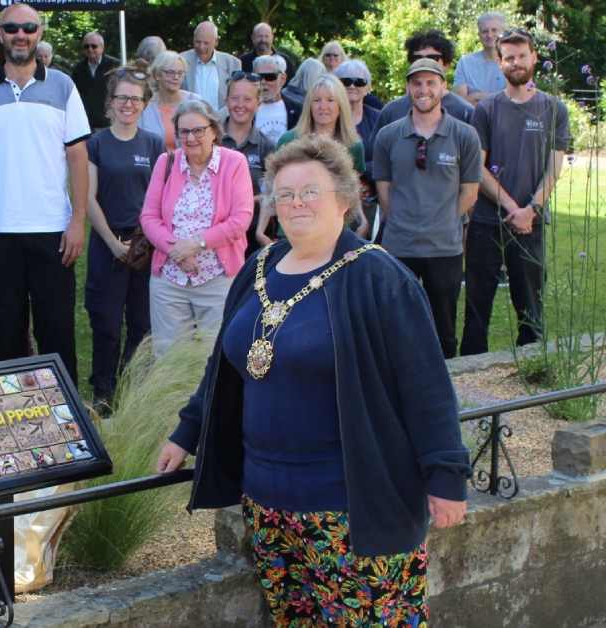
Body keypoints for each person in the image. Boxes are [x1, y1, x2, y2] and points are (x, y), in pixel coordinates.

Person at [154, 134, 470, 625]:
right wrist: (187, 431)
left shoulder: (379, 278)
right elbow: (226, 364)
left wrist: (446, 475)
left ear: (345, 198)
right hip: (269, 506)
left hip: (352, 506)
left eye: (310, 191)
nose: (296, 202)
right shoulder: (258, 268)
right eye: (285, 194)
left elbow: (426, 387)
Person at [0, 1, 91, 383]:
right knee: (6, 335)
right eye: (12, 28)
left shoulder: (63, 85)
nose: (20, 35)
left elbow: (78, 158)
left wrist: (77, 221)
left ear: (39, 33)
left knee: (58, 333)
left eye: (28, 28)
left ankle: (67, 421)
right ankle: (17, 416)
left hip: (52, 230)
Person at [462, 28, 570, 356]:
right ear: (500, 62)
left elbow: (554, 167)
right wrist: (512, 207)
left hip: (531, 224)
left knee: (531, 308)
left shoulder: (553, 109)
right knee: (477, 307)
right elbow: (478, 169)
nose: (516, 63)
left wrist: (531, 210)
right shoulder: (486, 110)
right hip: (486, 222)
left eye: (522, 56)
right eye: (509, 57)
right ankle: (469, 379)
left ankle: (533, 373)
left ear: (534, 57)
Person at [373, 59, 481, 359]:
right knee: (395, 325)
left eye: (431, 82)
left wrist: (444, 220)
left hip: (444, 247)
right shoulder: (388, 136)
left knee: (444, 329)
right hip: (399, 246)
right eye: (417, 83)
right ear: (408, 88)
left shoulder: (464, 135)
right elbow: (384, 187)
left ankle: (447, 389)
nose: (424, 90)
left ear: (443, 87)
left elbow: (470, 191)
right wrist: (402, 219)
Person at [140, 100, 253, 357]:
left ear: (213, 130)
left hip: (217, 278)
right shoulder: (165, 162)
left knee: (217, 355)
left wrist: (197, 243)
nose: (191, 138)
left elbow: (240, 219)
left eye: (198, 130)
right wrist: (176, 250)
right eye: (184, 132)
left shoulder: (234, 163)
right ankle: (174, 399)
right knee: (169, 357)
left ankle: (211, 400)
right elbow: (148, 217)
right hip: (169, 279)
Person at [85, 67, 164, 408]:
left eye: (135, 98)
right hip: (107, 243)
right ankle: (103, 390)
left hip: (145, 245)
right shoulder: (96, 143)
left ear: (144, 104)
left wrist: (144, 241)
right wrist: (112, 243)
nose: (128, 104)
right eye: (122, 97)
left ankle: (134, 389)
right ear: (111, 102)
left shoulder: (154, 144)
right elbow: (87, 198)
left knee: (141, 323)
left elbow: (161, 198)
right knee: (106, 323)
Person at [274, 74, 369, 236]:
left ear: (341, 105)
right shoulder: (289, 140)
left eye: (330, 100)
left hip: (336, 231)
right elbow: (276, 189)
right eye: (317, 100)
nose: (323, 106)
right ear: (309, 105)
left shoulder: (353, 146)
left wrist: (362, 220)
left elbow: (351, 191)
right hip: (295, 228)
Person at [374, 30, 474, 138]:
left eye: (433, 58)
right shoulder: (391, 111)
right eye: (417, 58)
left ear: (446, 64)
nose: (425, 62)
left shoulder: (465, 112)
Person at [220, 73, 276, 255]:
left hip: (253, 237)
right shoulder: (210, 139)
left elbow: (272, 194)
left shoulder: (266, 146)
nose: (240, 105)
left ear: (258, 103)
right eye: (235, 98)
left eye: (247, 99)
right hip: (214, 236)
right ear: (226, 100)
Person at [140, 51, 201, 151]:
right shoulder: (144, 106)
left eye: (180, 73)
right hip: (155, 165)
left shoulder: (195, 102)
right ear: (157, 75)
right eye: (170, 72)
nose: (176, 77)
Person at [178, 21, 241, 113]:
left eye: (206, 43)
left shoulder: (232, 63)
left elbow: (237, 96)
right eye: (197, 42)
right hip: (189, 121)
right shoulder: (181, 60)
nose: (201, 47)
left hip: (221, 122)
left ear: (216, 42)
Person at [455, 12, 508, 106]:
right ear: (479, 34)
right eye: (485, 31)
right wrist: (499, 98)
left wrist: (478, 96)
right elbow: (460, 103)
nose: (489, 35)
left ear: (502, 33)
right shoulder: (465, 63)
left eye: (494, 30)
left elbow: (515, 100)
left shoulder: (512, 63)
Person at [72, 31, 122, 130]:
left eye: (94, 46)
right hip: (86, 124)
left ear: (102, 48)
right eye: (86, 46)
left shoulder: (114, 66)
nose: (90, 49)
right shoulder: (78, 69)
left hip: (109, 122)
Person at [251, 54, 301, 145]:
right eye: (258, 77)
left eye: (270, 77)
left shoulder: (298, 110)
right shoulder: (244, 108)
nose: (263, 82)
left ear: (282, 79)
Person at [335, 60, 381, 150]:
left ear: (367, 88)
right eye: (346, 81)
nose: (352, 86)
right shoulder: (327, 116)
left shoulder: (378, 119)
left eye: (359, 82)